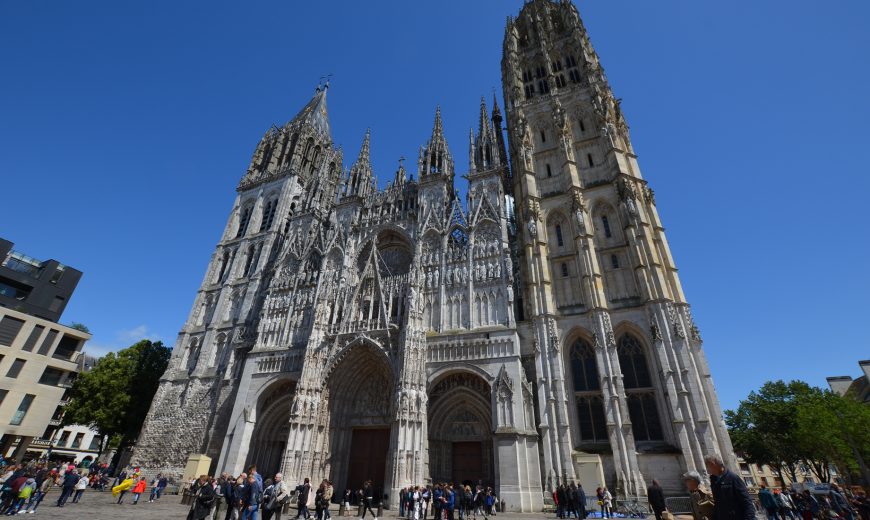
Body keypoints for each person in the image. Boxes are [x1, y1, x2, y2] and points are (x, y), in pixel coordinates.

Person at [703, 454, 755, 520]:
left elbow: (746, 501)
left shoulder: (733, 478)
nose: (708, 469)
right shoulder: (714, 480)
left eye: (708, 466)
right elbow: (718, 504)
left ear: (713, 464)